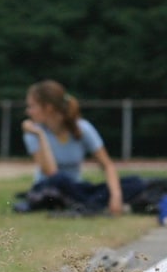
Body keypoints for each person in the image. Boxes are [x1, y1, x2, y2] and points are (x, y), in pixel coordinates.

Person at [20, 79, 123, 215]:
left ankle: (93, 203)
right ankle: (92, 204)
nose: (28, 112)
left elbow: (107, 165)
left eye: (32, 106)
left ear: (48, 107)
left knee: (132, 183)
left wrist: (116, 195)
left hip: (76, 188)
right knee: (59, 181)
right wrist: (41, 135)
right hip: (49, 189)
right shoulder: (33, 133)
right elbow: (52, 173)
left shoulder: (82, 128)